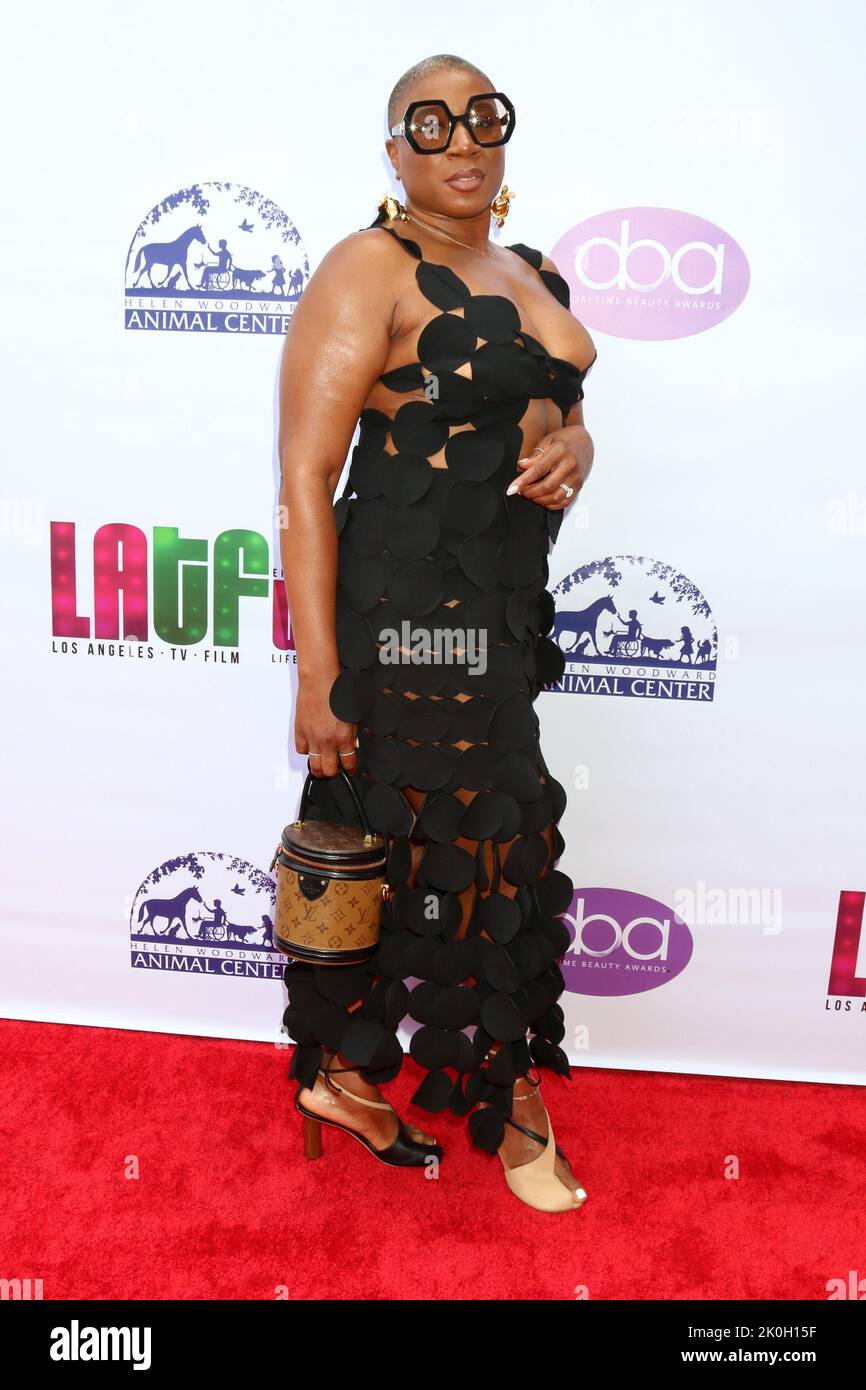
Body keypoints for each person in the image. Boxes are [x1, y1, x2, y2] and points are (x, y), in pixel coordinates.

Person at [277, 53, 598, 1212]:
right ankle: (507, 1100)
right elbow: (307, 478)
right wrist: (321, 673)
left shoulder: (531, 266)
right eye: (431, 122)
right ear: (393, 149)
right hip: (407, 615)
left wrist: (579, 447)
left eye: (482, 118)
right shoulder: (370, 266)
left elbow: (556, 411)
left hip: (504, 608)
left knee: (411, 830)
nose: (461, 139)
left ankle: (344, 1075)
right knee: (479, 842)